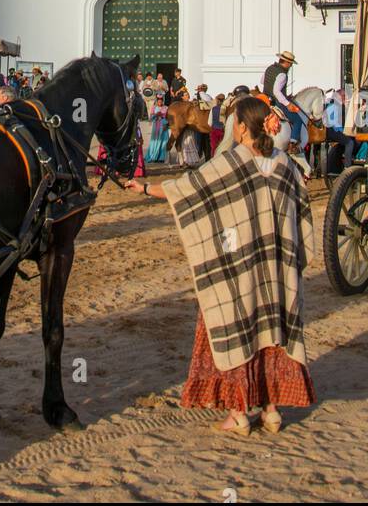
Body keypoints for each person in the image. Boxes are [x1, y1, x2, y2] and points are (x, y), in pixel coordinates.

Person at [124, 95, 315, 436]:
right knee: (272, 331)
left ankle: (239, 414)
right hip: (275, 270)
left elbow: (186, 189)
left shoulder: (231, 162)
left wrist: (144, 188)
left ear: (241, 128)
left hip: (239, 268)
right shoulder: (284, 163)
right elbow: (302, 211)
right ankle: (271, 411)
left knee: (233, 325)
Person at [262, 50, 304, 145]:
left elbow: (262, 81)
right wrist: (287, 103)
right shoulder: (282, 74)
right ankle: (292, 144)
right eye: (291, 64)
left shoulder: (270, 68)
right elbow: (276, 92)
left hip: (265, 99)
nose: (291, 66)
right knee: (298, 119)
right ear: (287, 62)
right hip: (276, 102)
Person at [145, 93, 170, 163]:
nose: (160, 102)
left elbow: (168, 118)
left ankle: (161, 157)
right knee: (156, 141)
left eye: (161, 101)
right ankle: (154, 156)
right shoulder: (154, 108)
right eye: (158, 101)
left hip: (164, 126)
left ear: (163, 101)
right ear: (157, 101)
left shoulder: (166, 108)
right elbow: (150, 119)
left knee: (163, 141)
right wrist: (156, 115)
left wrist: (165, 122)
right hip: (156, 127)